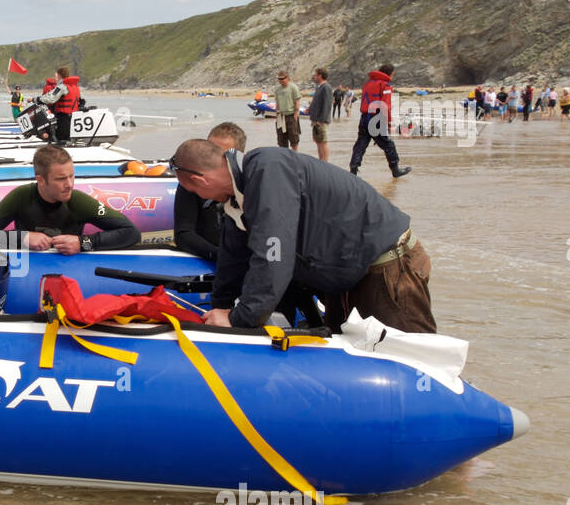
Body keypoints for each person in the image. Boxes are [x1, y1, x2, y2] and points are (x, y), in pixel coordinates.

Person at [172, 139, 436, 334]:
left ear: (201, 181)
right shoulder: (235, 199)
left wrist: (239, 319)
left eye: (192, 190)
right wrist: (219, 309)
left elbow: (273, 255)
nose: (199, 198)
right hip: (345, 276)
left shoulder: (267, 169)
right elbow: (232, 258)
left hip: (386, 267)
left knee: (411, 360)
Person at [0, 144, 139, 254]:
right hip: (28, 268)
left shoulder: (79, 201)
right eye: (60, 179)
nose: (69, 184)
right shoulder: (21, 196)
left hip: (69, 269)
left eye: (71, 176)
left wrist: (83, 243)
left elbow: (131, 233)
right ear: (41, 180)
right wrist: (23, 238)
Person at [171, 122, 245, 260]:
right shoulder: (192, 183)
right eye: (210, 150)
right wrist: (218, 255)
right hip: (209, 256)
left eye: (222, 155)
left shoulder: (250, 187)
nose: (213, 158)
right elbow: (183, 233)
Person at [350, 63, 411, 178]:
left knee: (361, 144)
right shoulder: (385, 86)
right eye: (392, 75)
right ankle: (395, 170)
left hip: (364, 117)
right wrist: (389, 123)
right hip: (377, 118)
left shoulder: (367, 84)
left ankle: (353, 169)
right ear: (389, 74)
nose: (392, 77)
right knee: (389, 145)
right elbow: (385, 106)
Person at [34, 65, 81, 142]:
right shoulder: (75, 86)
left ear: (59, 75)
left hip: (63, 117)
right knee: (67, 137)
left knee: (60, 138)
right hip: (73, 117)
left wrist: (36, 99)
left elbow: (51, 98)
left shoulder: (62, 87)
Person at [308, 68, 333, 163]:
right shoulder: (319, 87)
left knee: (323, 141)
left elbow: (327, 105)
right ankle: (321, 161)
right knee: (318, 141)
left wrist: (321, 120)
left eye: (316, 75)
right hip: (315, 119)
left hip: (321, 121)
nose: (314, 76)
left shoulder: (326, 87)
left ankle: (325, 162)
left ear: (320, 75)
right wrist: (310, 110)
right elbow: (316, 102)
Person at [273, 70, 302, 150]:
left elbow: (297, 101)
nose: (280, 81)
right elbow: (277, 103)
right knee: (281, 141)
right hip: (281, 116)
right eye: (279, 79)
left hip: (291, 115)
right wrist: (277, 114)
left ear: (287, 78)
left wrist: (296, 113)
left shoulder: (293, 87)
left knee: (294, 140)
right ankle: (284, 158)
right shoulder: (278, 90)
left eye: (282, 79)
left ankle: (295, 158)